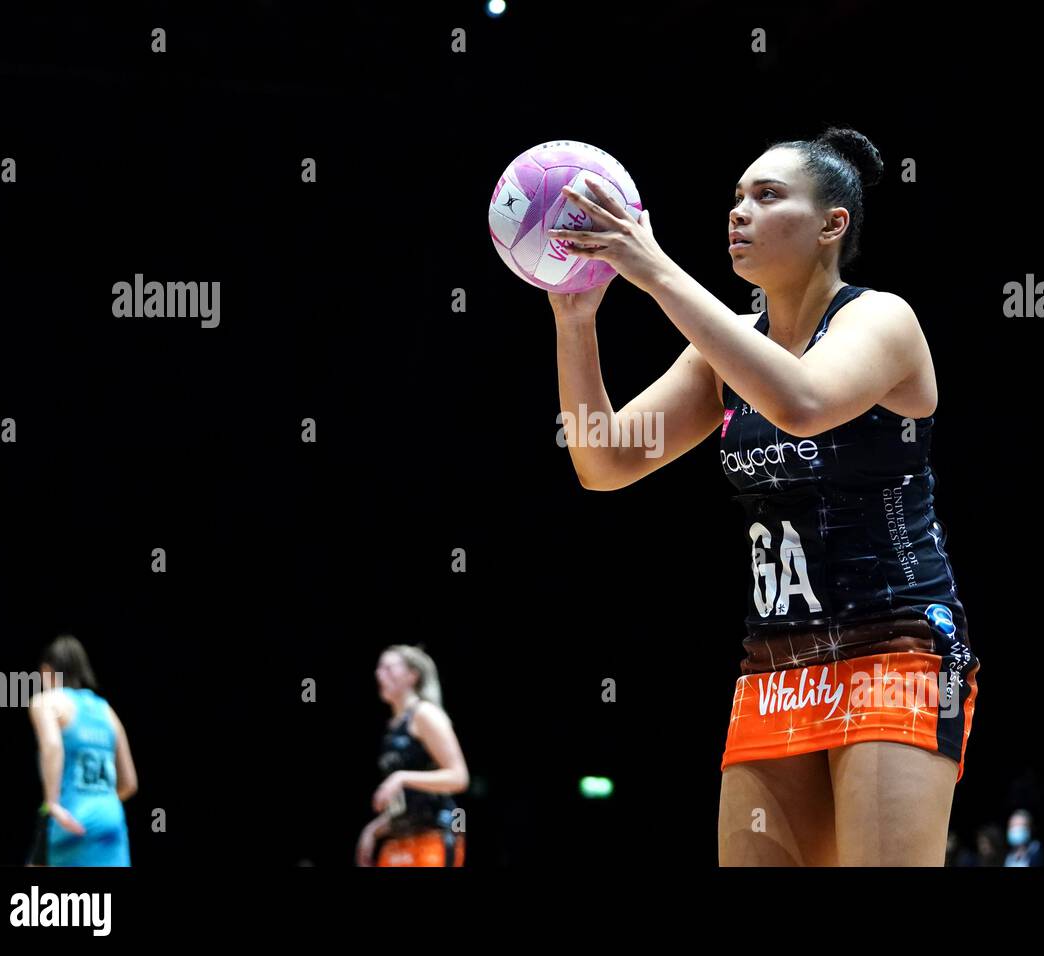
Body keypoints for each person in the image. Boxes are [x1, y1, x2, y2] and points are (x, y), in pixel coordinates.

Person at [549, 126, 980, 865]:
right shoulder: (722, 348)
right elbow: (605, 461)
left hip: (896, 650)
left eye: (767, 196)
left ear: (830, 226)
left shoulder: (882, 319)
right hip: (775, 662)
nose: (739, 212)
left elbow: (802, 403)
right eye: (736, 197)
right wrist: (575, 321)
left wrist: (654, 271)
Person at [27, 634, 137, 866]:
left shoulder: (47, 701)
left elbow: (53, 745)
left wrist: (53, 802)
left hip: (69, 817)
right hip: (110, 819)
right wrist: (99, 804)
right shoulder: (107, 711)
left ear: (47, 672)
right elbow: (129, 783)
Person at [356, 645, 469, 867]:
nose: (379, 673)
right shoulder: (393, 727)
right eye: (379, 668)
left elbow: (459, 777)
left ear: (412, 675)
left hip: (433, 837)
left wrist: (401, 777)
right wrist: (375, 828)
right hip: (399, 841)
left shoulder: (426, 714)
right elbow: (412, 800)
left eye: (388, 668)